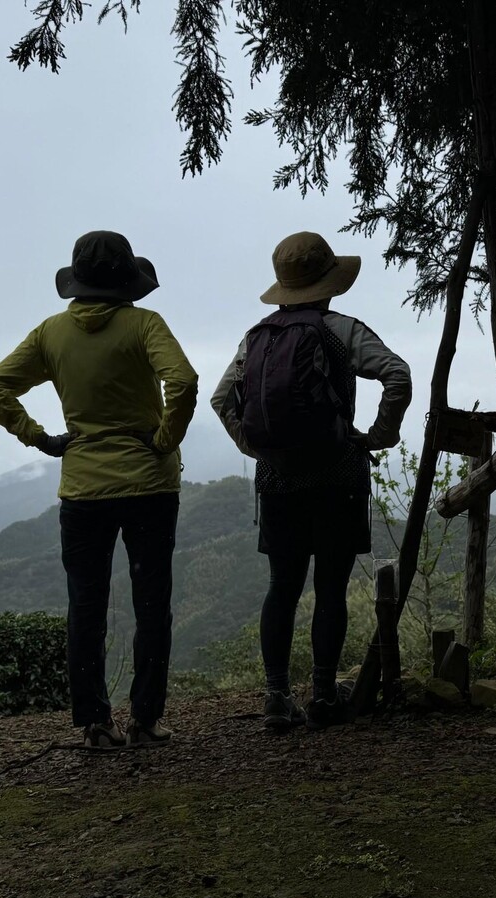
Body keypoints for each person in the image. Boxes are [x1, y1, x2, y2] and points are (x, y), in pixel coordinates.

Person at [0, 230, 198, 748]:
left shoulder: (51, 334)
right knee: (151, 603)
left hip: (82, 491)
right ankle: (146, 720)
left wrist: (42, 439)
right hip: (149, 487)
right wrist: (164, 441)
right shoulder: (145, 324)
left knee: (85, 605)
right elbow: (183, 382)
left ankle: (95, 724)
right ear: (127, 279)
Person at [211, 231, 412, 734]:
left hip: (277, 481)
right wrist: (378, 436)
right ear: (328, 283)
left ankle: (277, 697)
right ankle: (323, 693)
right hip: (338, 475)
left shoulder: (259, 336)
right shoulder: (343, 330)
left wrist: (257, 449)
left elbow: (221, 399)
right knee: (330, 589)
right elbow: (397, 374)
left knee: (282, 587)